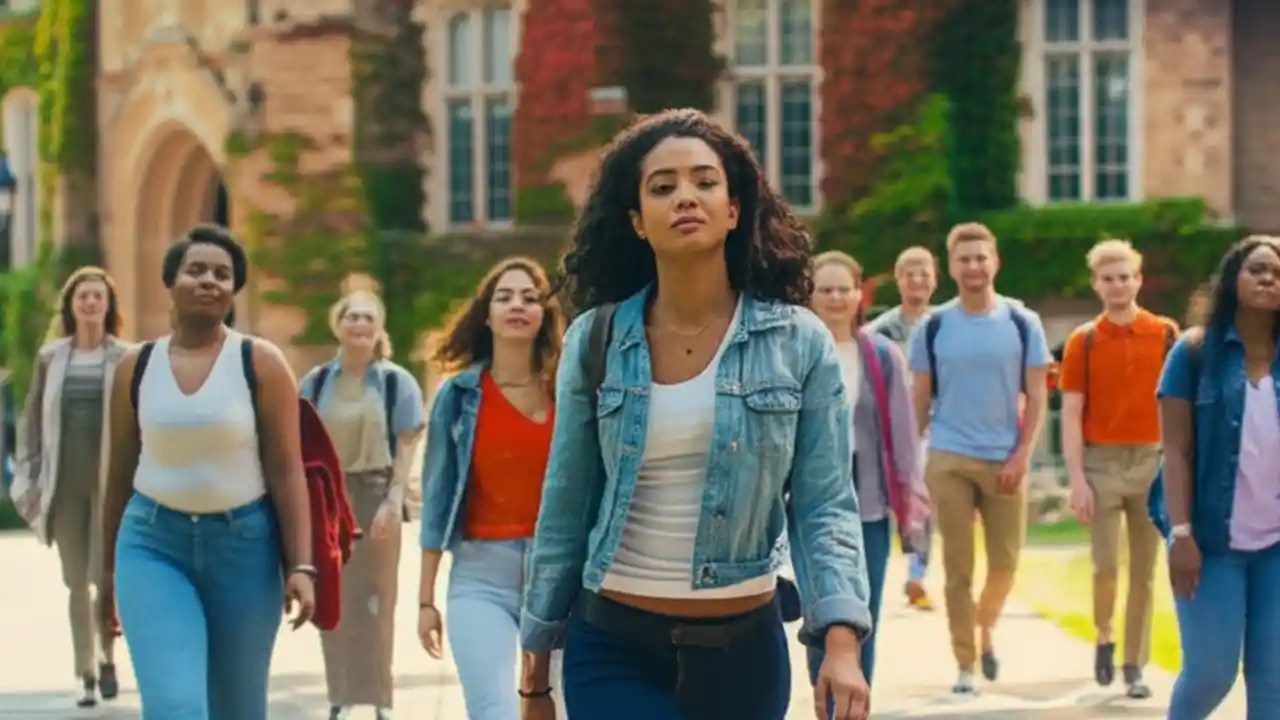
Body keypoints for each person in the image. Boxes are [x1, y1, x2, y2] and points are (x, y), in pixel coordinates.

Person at [518, 109, 872, 720]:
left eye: (704, 182)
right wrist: (535, 678)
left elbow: (824, 504)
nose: (685, 196)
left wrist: (840, 642)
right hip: (613, 642)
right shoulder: (596, 340)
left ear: (733, 210)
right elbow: (566, 504)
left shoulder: (800, 342)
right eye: (663, 187)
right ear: (637, 221)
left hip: (744, 652)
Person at [100, 224, 316, 719]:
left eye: (222, 274)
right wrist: (106, 574)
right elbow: (117, 477)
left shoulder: (260, 363)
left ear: (234, 290)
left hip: (245, 552)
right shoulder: (136, 366)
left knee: (238, 710)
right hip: (153, 546)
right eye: (195, 270)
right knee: (176, 705)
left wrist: (301, 565)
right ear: (170, 282)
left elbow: (287, 471)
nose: (209, 281)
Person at [418, 256, 566, 720]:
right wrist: (425, 600)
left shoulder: (569, 389)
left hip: (558, 577)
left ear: (544, 314)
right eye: (504, 297)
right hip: (481, 576)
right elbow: (437, 497)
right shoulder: (458, 396)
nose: (517, 305)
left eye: (529, 297)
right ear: (487, 314)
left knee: (561, 709)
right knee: (493, 710)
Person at [909, 222, 1052, 696]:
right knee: (957, 567)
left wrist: (1021, 455)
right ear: (951, 268)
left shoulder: (1021, 322)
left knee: (1006, 563)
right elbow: (919, 400)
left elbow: (1037, 395)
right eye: (964, 259)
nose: (973, 266)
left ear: (995, 262)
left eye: (980, 257)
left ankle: (984, 627)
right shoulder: (933, 327)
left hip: (1005, 458)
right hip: (949, 456)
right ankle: (965, 664)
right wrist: (914, 463)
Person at [1157, 235, 1280, 720]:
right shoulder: (1194, 353)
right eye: (1257, 269)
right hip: (1210, 543)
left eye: (1277, 273)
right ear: (1233, 279)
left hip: (1276, 547)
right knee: (1211, 673)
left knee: (1273, 683)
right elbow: (1175, 450)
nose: (1269, 279)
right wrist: (1181, 532)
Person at [301, 277, 426, 720]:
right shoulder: (316, 382)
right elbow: (299, 444)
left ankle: (378, 699)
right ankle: (339, 694)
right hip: (328, 498)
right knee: (334, 597)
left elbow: (407, 445)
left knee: (377, 600)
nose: (359, 323)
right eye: (351, 316)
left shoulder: (395, 383)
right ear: (338, 325)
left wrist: (394, 499)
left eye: (367, 317)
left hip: (376, 494)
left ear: (378, 328)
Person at [1058, 240, 1176, 698]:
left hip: (1151, 460)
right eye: (1108, 279)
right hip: (1101, 463)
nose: (1118, 285)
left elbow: (1180, 405)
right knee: (1106, 566)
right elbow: (1071, 412)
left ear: (1138, 280)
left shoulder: (1164, 334)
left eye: (1125, 277)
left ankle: (1134, 665)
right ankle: (1104, 635)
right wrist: (1077, 480)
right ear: (1096, 284)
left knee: (1145, 570)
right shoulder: (1083, 340)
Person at [807, 250, 928, 691]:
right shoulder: (796, 351)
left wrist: (911, 504)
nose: (835, 298)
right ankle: (827, 702)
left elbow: (904, 436)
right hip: (808, 500)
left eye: (844, 289)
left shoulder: (881, 355)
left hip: (869, 500)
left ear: (860, 295)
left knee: (864, 613)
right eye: (826, 289)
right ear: (809, 294)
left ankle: (857, 704)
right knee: (821, 612)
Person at [10, 267, 129, 708]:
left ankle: (108, 656)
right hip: (63, 487)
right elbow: (32, 424)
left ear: (108, 305)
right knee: (76, 582)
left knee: (105, 578)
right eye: (83, 296)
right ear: (71, 305)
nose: (90, 302)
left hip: (109, 489)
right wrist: (28, 481)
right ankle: (85, 673)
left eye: (98, 296)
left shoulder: (126, 357)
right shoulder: (51, 358)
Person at [866, 245, 939, 612]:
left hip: (933, 427)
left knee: (922, 500)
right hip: (886, 427)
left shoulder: (945, 324)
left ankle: (917, 574)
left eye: (924, 273)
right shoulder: (878, 332)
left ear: (935, 279)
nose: (917, 280)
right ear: (898, 280)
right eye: (909, 273)